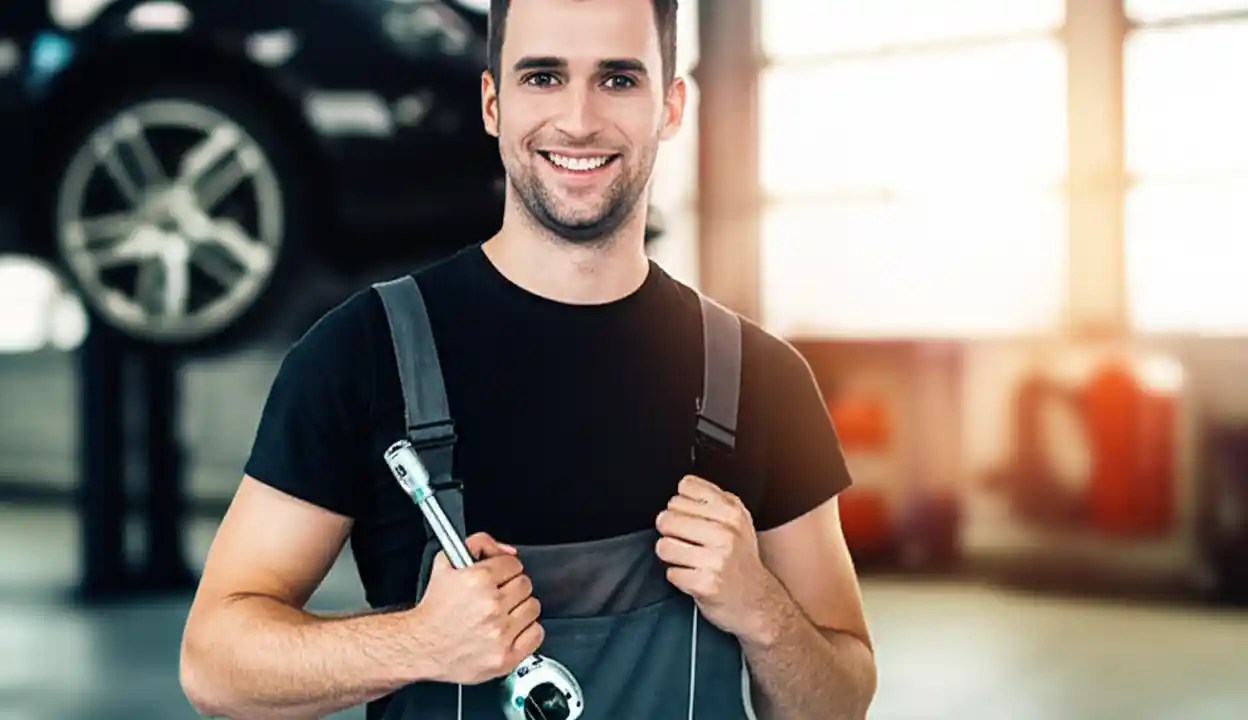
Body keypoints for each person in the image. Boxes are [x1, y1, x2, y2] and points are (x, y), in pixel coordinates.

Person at [179, 0, 877, 718]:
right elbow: (215, 664)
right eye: (543, 77)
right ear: (492, 102)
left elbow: (842, 700)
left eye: (618, 80)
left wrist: (762, 608)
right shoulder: (361, 355)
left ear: (670, 106)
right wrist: (418, 642)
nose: (577, 119)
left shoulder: (764, 381)